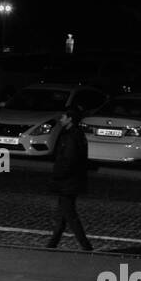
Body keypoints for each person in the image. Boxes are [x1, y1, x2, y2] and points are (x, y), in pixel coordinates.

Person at [47, 104, 92, 251]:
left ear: (70, 119)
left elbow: (69, 160)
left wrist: (58, 175)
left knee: (70, 215)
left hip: (68, 181)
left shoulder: (71, 136)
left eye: (63, 117)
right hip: (70, 180)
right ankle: (52, 244)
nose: (60, 119)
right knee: (62, 214)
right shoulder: (74, 134)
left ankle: (86, 246)